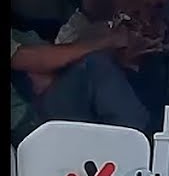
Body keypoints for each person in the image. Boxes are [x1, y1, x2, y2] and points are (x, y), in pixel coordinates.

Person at [10, 26, 150, 144]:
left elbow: (55, 62)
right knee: (94, 66)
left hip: (45, 104)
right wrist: (108, 41)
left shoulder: (20, 34)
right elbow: (38, 60)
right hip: (27, 124)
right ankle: (142, 148)